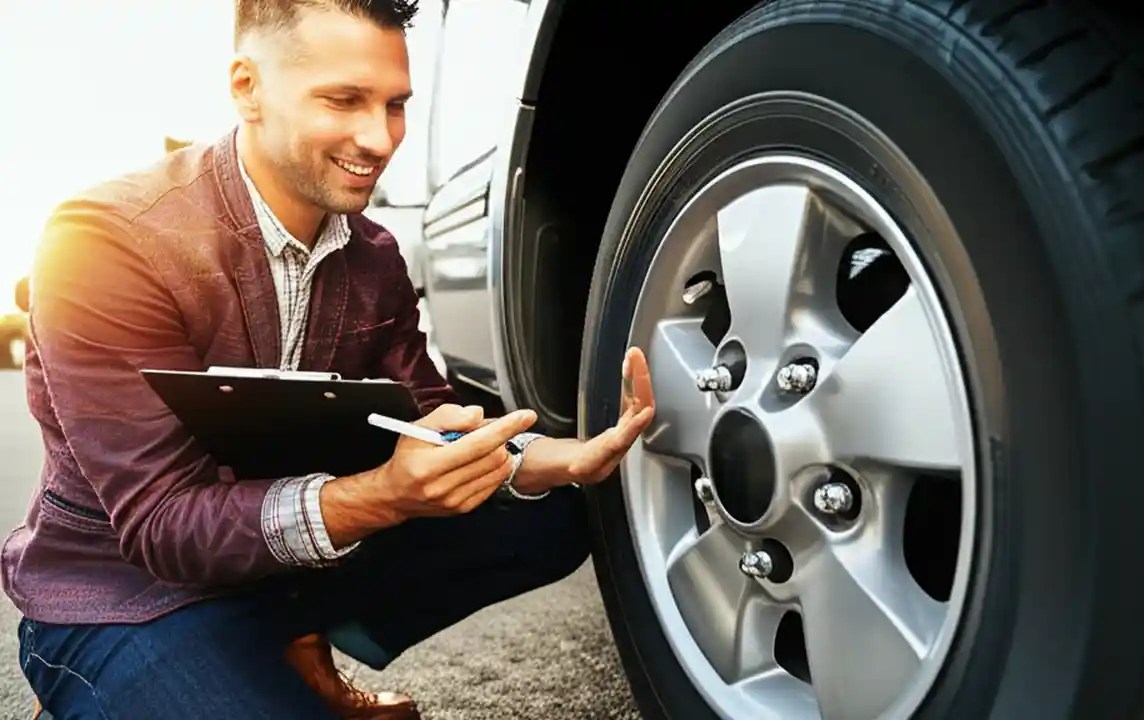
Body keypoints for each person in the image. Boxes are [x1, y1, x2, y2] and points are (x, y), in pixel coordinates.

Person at [0, 1, 656, 718]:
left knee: (551, 519)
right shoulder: (107, 243)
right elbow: (161, 526)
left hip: (285, 565)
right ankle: (114, 682)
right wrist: (382, 496)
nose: (380, 139)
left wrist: (554, 456)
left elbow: (429, 415)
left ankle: (290, 642)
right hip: (129, 591)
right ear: (247, 87)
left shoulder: (372, 255)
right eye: (344, 100)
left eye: (396, 105)